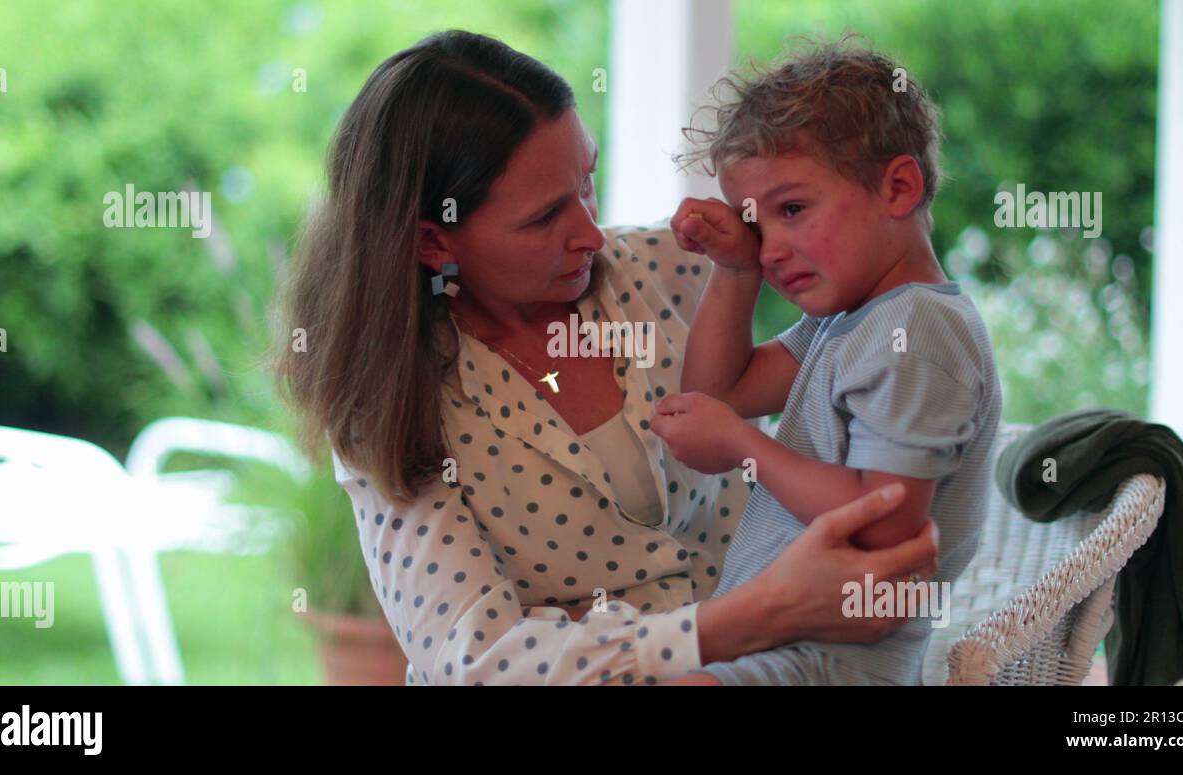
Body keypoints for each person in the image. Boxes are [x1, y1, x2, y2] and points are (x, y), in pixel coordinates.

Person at [275, 29, 938, 685]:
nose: (592, 232)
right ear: (432, 241)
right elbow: (480, 661)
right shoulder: (391, 403)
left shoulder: (678, 266)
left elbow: (881, 332)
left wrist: (566, 637)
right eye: (544, 218)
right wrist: (760, 610)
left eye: (586, 183)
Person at [652, 38, 1002, 685]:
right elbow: (718, 391)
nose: (771, 250)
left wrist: (743, 447)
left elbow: (886, 520)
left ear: (897, 187)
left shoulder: (916, 331)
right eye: (757, 224)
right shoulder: (847, 322)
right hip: (785, 645)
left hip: (836, 663)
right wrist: (733, 271)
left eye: (792, 210)